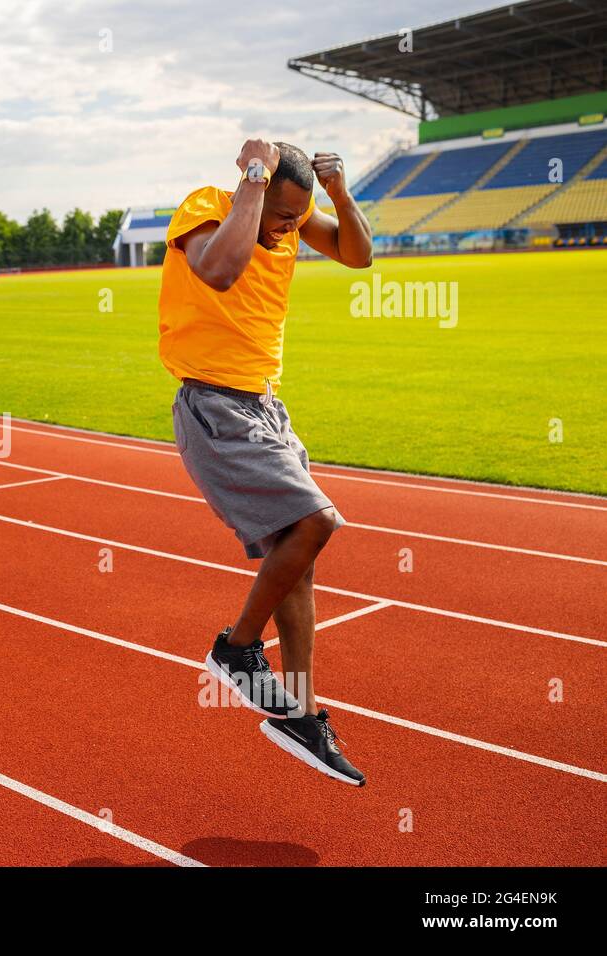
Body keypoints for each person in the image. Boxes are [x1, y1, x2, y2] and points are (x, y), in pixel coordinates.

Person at [158, 139, 374, 785]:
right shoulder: (210, 206)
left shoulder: (291, 214)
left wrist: (336, 195)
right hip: (213, 405)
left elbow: (359, 257)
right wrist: (253, 182)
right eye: (283, 216)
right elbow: (219, 272)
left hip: (263, 406)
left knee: (296, 562)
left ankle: (301, 714)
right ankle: (238, 648)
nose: (287, 230)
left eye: (294, 218)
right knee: (317, 522)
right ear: (255, 184)